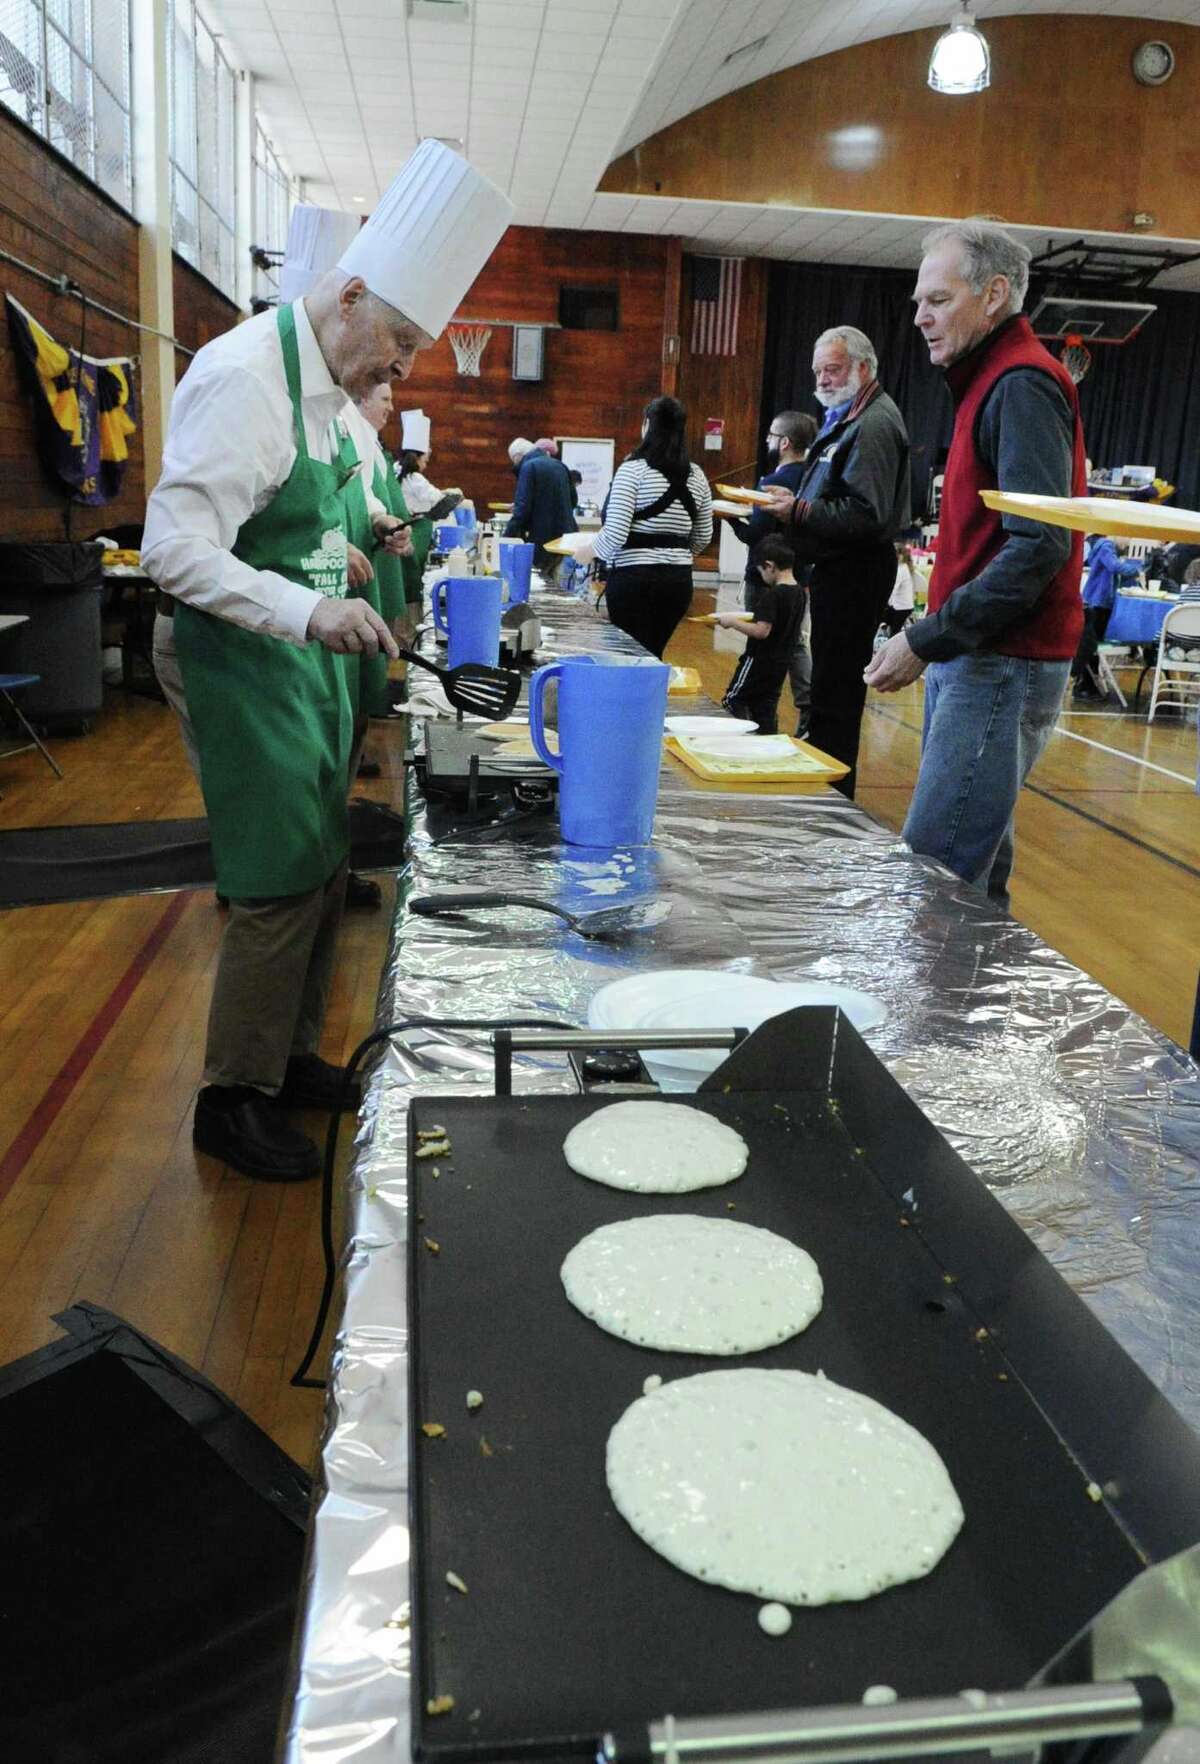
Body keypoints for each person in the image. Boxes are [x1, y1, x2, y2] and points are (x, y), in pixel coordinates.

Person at [141, 141, 512, 1183]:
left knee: (322, 857)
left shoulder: (323, 390)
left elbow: (302, 526)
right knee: (275, 874)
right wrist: (311, 609)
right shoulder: (244, 380)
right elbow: (174, 550)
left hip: (290, 650)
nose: (401, 370)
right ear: (349, 297)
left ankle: (288, 1057)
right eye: (397, 343)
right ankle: (231, 1098)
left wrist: (327, 596)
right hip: (232, 652)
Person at [865, 219, 1086, 908]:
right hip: (984, 658)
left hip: (1001, 661)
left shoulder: (1020, 383)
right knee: (972, 881)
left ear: (993, 295)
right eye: (918, 302)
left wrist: (925, 637)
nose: (921, 317)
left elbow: (1039, 545)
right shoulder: (992, 379)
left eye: (938, 299)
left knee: (937, 882)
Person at [763, 326, 910, 794]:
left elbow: (867, 513)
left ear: (862, 368)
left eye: (832, 370)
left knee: (836, 697)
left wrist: (798, 510)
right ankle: (826, 793)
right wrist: (797, 503)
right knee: (828, 693)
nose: (822, 380)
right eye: (818, 372)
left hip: (856, 570)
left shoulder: (874, 424)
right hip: (839, 567)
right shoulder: (849, 416)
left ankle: (833, 804)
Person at [587, 396, 713, 657]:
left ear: (647, 425)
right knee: (653, 654)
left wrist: (588, 551)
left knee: (628, 656)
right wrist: (674, 555)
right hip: (677, 582)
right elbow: (703, 535)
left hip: (633, 580)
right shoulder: (697, 475)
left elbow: (616, 533)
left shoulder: (632, 470)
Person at [723, 410, 818, 736]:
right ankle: (805, 707)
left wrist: (730, 517)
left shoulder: (773, 483)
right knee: (794, 642)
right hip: (800, 575)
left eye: (772, 436)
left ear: (785, 442)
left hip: (768, 577)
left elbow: (756, 535)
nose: (767, 441)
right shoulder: (812, 478)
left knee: (763, 645)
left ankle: (754, 711)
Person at [718, 535, 805, 734]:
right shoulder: (799, 593)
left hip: (758, 661)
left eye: (761, 571)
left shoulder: (772, 595)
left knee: (733, 699)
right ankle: (768, 741)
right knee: (766, 707)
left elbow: (761, 631)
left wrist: (732, 622)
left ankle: (743, 738)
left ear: (769, 566)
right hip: (780, 663)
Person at [1071, 535, 1141, 699]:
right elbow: (1114, 566)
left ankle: (1088, 684)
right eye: (1128, 538)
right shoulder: (1106, 545)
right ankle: (1084, 685)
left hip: (1097, 601)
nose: (1128, 542)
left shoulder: (1103, 546)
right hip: (1099, 602)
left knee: (1092, 645)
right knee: (1092, 646)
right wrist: (1136, 569)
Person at [397, 408, 463, 578]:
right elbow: (437, 500)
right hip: (415, 531)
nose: (425, 465)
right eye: (425, 461)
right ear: (418, 458)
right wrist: (455, 494)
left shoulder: (396, 470)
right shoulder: (414, 478)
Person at [505, 436, 576, 580]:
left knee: (540, 583)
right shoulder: (560, 465)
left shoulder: (528, 467)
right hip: (565, 539)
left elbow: (522, 509)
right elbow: (573, 500)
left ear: (517, 456)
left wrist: (506, 537)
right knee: (558, 584)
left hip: (541, 539)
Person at [883, 540, 920, 638]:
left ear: (901, 556)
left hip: (902, 607)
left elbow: (892, 588)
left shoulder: (901, 569)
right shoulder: (902, 567)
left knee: (893, 632)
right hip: (898, 605)